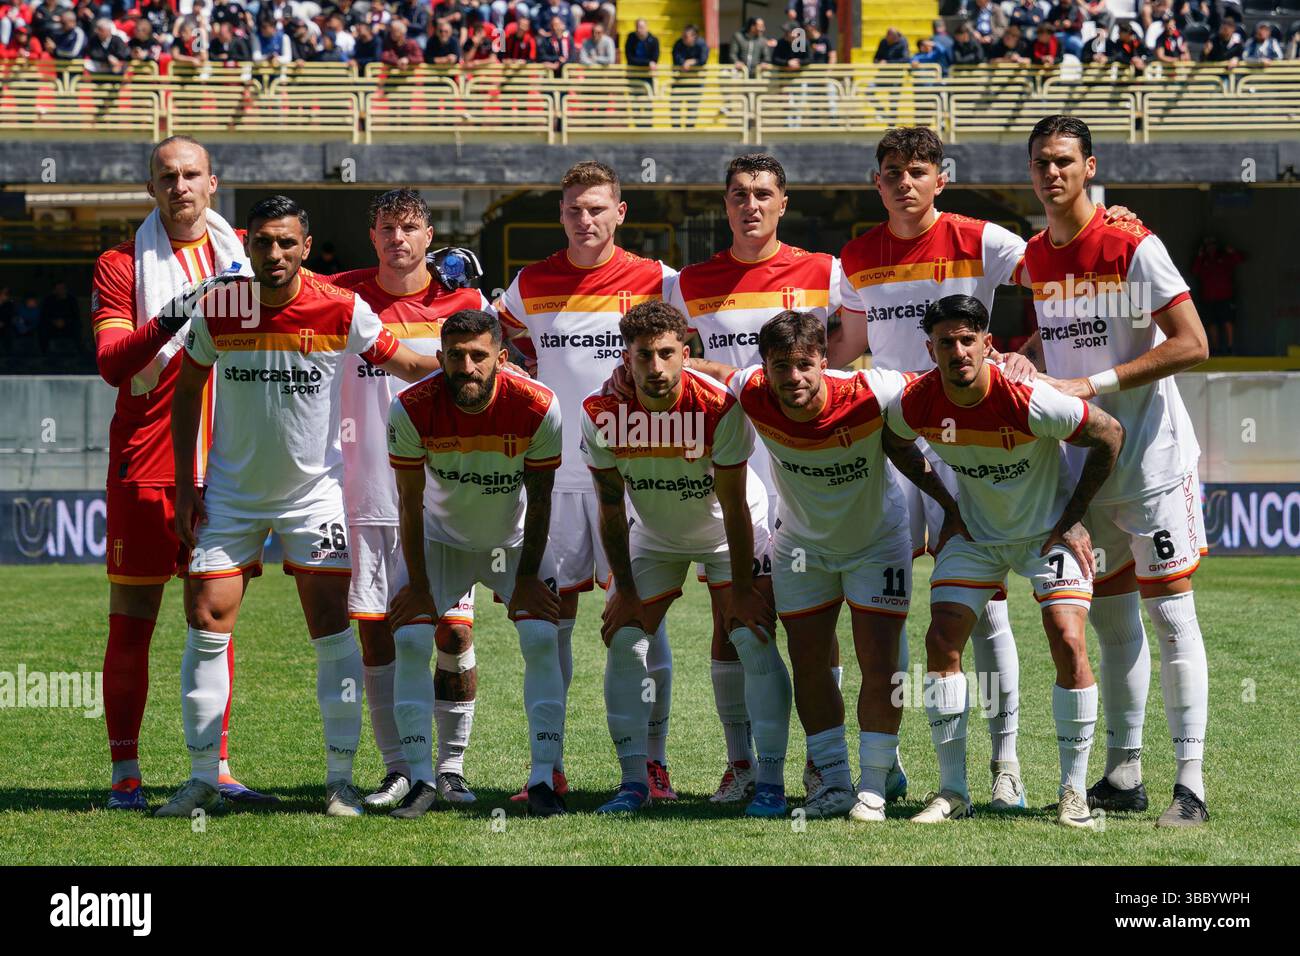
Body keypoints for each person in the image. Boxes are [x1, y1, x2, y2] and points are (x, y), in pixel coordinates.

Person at [155, 194, 443, 819]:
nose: (275, 252)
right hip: (230, 497)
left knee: (332, 630)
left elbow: (407, 363)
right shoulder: (220, 307)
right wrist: (184, 482)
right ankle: (203, 779)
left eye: (287, 242)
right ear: (248, 245)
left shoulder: (341, 307)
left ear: (306, 247)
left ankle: (339, 782)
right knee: (206, 622)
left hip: (315, 499)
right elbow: (186, 390)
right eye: (263, 241)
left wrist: (472, 363)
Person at [1007, 114, 1212, 828]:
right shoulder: (1036, 256)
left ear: (1090, 167)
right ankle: (1125, 773)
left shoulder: (1132, 243)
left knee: (1172, 614)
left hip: (1151, 462)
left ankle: (1191, 784)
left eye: (1064, 160)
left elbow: (1193, 343)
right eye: (1041, 162)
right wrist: (1027, 359)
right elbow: (1064, 341)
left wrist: (1090, 384)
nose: (1052, 173)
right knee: (1114, 622)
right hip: (1086, 469)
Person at [831, 126, 1030, 809]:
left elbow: (1059, 281)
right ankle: (885, 766)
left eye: (918, 171)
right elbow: (848, 344)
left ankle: (1005, 766)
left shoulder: (985, 239)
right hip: (894, 442)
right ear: (877, 182)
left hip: (970, 438)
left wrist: (1026, 351)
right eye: (892, 172)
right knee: (883, 602)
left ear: (940, 179)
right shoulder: (857, 254)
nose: (904, 182)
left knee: (985, 607)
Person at [886, 293, 1123, 829]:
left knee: (1068, 639)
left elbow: (1109, 433)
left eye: (967, 340)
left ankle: (1073, 794)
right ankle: (953, 791)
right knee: (942, 640)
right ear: (930, 350)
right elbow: (895, 442)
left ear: (986, 343)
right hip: (978, 536)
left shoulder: (1027, 397)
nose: (957, 351)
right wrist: (949, 507)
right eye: (945, 342)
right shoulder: (918, 400)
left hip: (1044, 535)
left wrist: (1072, 517)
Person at [657, 153, 846, 803]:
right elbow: (672, 362)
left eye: (763, 193)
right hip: (728, 472)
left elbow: (854, 346)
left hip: (806, 471)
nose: (751, 205)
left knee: (814, 626)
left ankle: (822, 762)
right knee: (731, 618)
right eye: (738, 194)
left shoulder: (825, 272)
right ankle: (741, 764)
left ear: (783, 202)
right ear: (725, 204)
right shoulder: (689, 283)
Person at [493, 161, 678, 800]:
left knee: (642, 623)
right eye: (573, 209)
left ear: (620, 213)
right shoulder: (532, 282)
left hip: (638, 478)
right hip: (557, 481)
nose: (585, 219)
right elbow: (496, 339)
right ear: (561, 214)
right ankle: (548, 767)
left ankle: (651, 765)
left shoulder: (659, 280)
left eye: (597, 208)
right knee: (550, 624)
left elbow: (689, 355)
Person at [90, 136, 264, 811]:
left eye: (192, 175)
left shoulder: (247, 254)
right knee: (132, 622)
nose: (181, 186)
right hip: (148, 467)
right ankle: (125, 775)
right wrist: (178, 308)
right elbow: (113, 363)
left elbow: (318, 301)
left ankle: (216, 768)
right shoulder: (119, 264)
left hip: (227, 468)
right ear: (151, 188)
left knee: (213, 620)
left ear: (213, 183)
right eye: (168, 177)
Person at [720, 311, 933, 821]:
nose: (792, 376)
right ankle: (834, 782)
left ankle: (874, 785)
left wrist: (1010, 362)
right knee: (810, 664)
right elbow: (708, 370)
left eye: (803, 364)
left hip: (877, 544)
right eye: (780, 366)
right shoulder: (750, 390)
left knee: (880, 663)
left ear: (824, 360)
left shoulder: (872, 390)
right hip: (802, 549)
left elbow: (945, 375)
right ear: (764, 368)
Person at [583, 302, 784, 817]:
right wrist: (625, 590)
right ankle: (634, 782)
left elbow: (734, 505)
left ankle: (765, 778)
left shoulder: (718, 406)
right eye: (643, 355)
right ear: (625, 358)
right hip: (654, 536)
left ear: (686, 353)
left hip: (727, 532)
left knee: (751, 636)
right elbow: (610, 505)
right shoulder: (600, 411)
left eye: (666, 353)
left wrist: (743, 591)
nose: (655, 366)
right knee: (624, 638)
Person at [327, 190, 491, 810]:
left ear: (429, 235)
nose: (398, 238)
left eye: (411, 227)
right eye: (387, 228)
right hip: (364, 494)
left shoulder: (466, 304)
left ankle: (450, 768)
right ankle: (399, 768)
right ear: (373, 236)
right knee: (379, 639)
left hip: (445, 498)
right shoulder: (339, 296)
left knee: (453, 635)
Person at [386, 310, 568, 817]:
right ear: (440, 357)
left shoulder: (538, 404)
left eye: (478, 356)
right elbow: (408, 503)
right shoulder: (410, 406)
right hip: (440, 541)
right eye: (455, 355)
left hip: (512, 542)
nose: (466, 366)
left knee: (541, 637)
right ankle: (421, 780)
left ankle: (543, 779)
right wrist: (418, 585)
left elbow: (542, 498)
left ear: (501, 359)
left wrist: (527, 578)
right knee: (410, 640)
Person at [1190, 237, 1243, 355]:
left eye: (1213, 245)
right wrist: (1200, 256)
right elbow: (1194, 271)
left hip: (1225, 296)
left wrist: (1232, 252)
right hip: (1208, 297)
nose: (1211, 247)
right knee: (1211, 323)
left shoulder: (1223, 257)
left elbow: (1239, 259)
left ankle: (1230, 348)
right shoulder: (1203, 260)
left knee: (1228, 321)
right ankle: (1215, 349)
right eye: (1208, 245)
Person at [39, 281, 80, 354]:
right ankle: (44, 352)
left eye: (62, 288)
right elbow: (45, 314)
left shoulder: (71, 300)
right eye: (58, 288)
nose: (60, 290)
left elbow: (75, 314)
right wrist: (54, 321)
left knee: (76, 326)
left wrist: (65, 321)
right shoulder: (49, 300)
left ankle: (76, 351)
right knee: (43, 327)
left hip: (68, 323)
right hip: (52, 323)